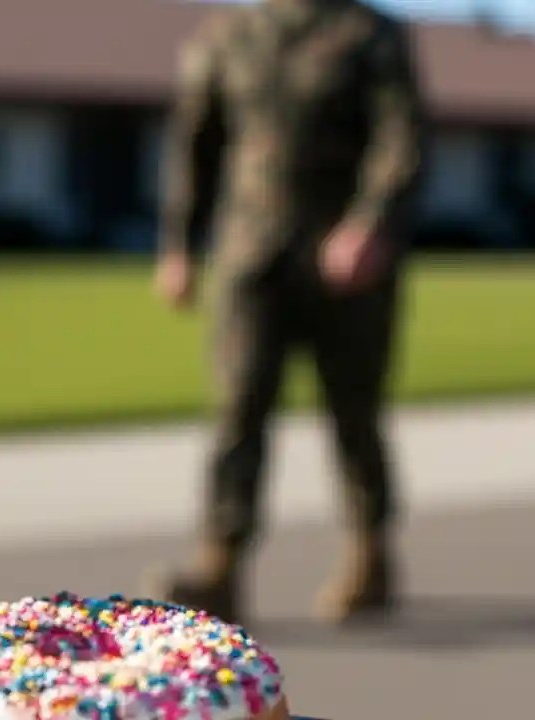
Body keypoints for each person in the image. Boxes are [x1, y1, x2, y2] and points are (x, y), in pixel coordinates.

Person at [150, 0, 425, 625]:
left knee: (354, 412)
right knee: (238, 409)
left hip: (348, 262)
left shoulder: (368, 35)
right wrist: (178, 245)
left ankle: (371, 550)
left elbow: (401, 139)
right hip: (252, 256)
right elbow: (196, 142)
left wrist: (370, 225)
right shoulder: (231, 35)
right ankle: (220, 565)